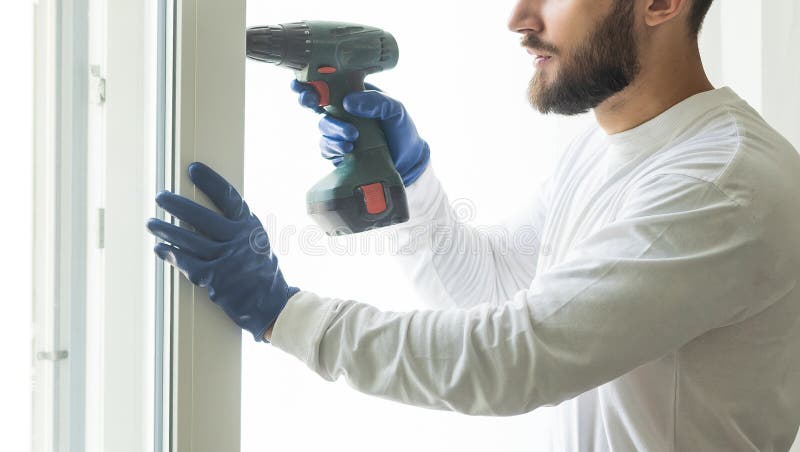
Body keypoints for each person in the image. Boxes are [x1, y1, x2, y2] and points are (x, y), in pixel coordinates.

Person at [146, 0, 800, 450]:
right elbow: (493, 289)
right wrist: (413, 183)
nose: (519, 19)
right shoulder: (609, 146)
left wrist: (278, 310)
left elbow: (514, 356)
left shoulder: (722, 184)